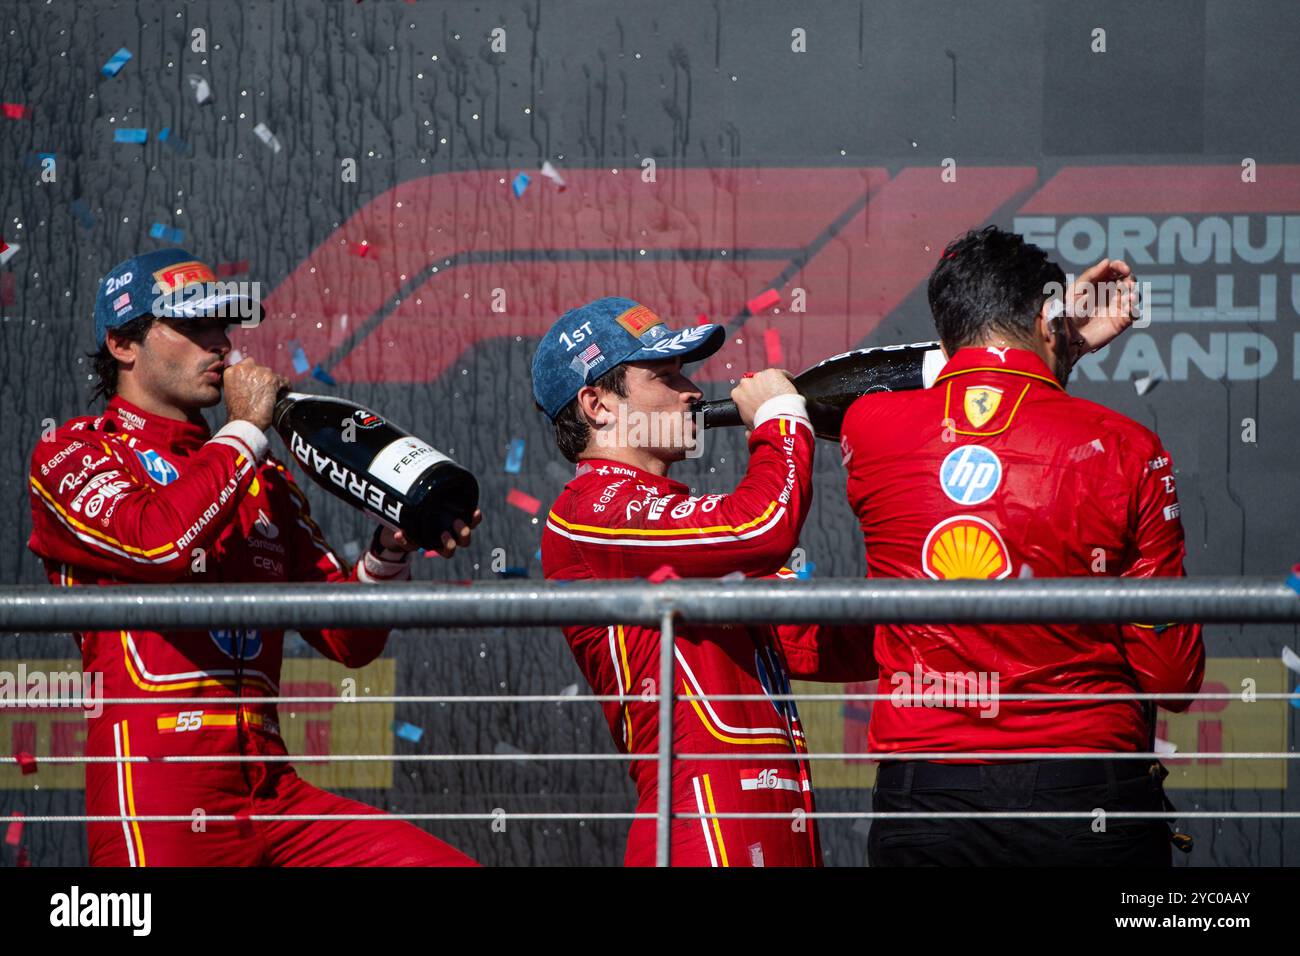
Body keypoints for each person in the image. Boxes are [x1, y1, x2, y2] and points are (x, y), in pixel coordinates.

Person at [27, 248, 480, 866]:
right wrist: (242, 430)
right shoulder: (75, 453)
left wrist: (388, 552)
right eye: (194, 327)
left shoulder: (259, 477)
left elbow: (351, 644)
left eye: (225, 325)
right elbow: (157, 541)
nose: (221, 344)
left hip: (275, 790)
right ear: (122, 345)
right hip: (157, 790)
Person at [839, 226, 1205, 866]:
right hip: (1085, 798)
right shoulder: (1127, 448)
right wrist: (1055, 344)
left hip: (928, 800)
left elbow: (921, 377)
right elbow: (1171, 675)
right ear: (1046, 317)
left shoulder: (870, 429)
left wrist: (1050, 340)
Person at [534, 296, 873, 867]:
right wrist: (782, 422)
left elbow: (827, 638)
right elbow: (763, 526)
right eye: (665, 376)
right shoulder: (590, 510)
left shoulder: (678, 527)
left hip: (777, 825)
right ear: (596, 405)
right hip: (702, 832)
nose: (692, 391)